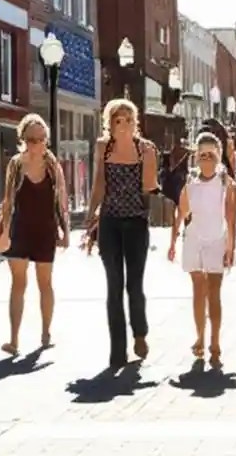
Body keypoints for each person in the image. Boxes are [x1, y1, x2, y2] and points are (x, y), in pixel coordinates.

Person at [83, 98, 160, 368]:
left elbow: (150, 188)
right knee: (113, 285)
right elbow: (99, 184)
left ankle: (140, 333)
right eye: (118, 120)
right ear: (110, 124)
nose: (124, 125)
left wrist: (153, 175)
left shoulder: (145, 150)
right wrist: (91, 214)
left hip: (137, 223)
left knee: (134, 285)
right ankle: (118, 351)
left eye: (129, 120)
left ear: (135, 122)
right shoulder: (103, 148)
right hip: (110, 223)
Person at [0, 114, 70, 356]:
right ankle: (14, 340)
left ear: (46, 140)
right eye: (30, 139)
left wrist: (65, 231)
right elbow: (8, 200)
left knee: (44, 283)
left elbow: (62, 201)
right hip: (20, 229)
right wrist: (4, 229)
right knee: (18, 283)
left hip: (45, 229)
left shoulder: (52, 165)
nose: (35, 145)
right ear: (23, 139)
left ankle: (46, 332)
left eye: (40, 139)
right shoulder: (15, 164)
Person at [167, 133, 236, 367]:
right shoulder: (190, 183)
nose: (206, 159)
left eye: (211, 155)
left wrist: (231, 248)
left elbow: (230, 218)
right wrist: (172, 241)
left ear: (218, 158)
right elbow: (181, 212)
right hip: (194, 238)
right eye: (202, 155)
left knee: (214, 292)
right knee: (198, 289)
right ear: (196, 157)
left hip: (217, 239)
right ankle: (199, 337)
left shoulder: (227, 184)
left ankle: (215, 342)